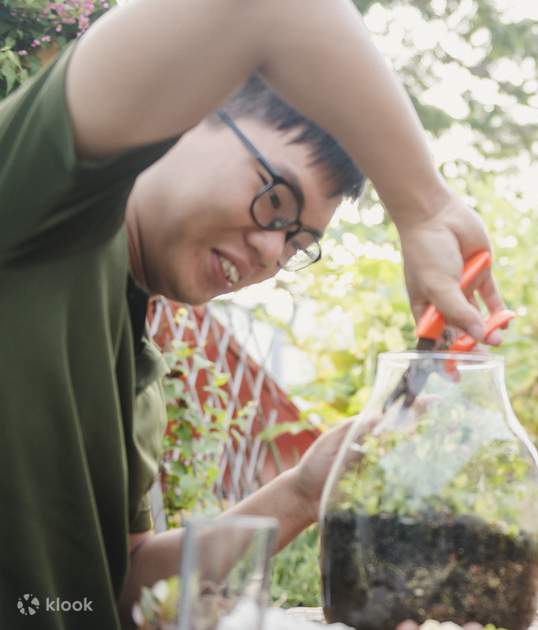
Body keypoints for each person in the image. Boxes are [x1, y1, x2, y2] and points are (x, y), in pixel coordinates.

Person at [0, 0, 506, 628]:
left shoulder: (139, 369)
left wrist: (300, 492)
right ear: (189, 114)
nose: (271, 251)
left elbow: (120, 586)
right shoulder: (40, 199)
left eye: (297, 243)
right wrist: (425, 207)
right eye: (276, 198)